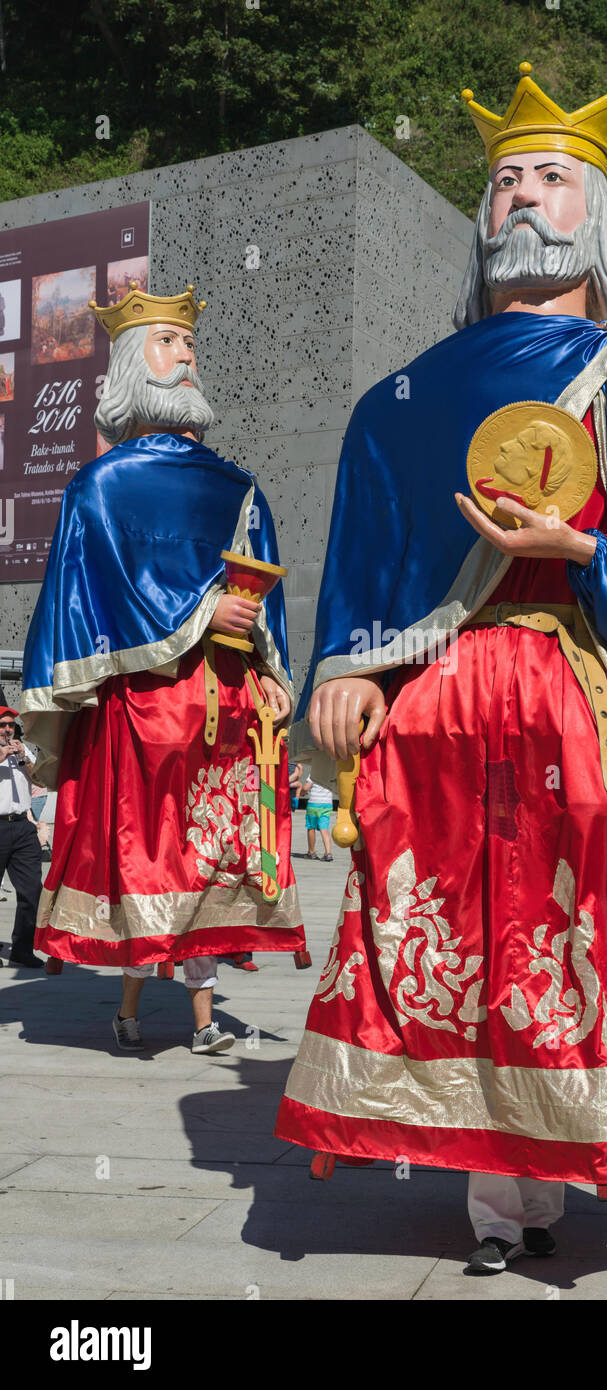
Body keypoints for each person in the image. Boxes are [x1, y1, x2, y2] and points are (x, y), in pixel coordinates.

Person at [274, 63, 607, 1274]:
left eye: (552, 178)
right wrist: (347, 666)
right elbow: (369, 560)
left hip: (590, 700)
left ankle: (542, 1159)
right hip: (448, 704)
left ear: (596, 213)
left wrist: (591, 550)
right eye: (505, 178)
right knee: (442, 931)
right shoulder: (402, 399)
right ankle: (485, 1184)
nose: (523, 197)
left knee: (576, 932)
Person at [20, 282, 308, 1054]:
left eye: (188, 345)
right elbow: (93, 592)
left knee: (210, 856)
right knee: (152, 852)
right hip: (145, 704)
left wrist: (275, 667)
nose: (185, 356)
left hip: (228, 704)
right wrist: (200, 613)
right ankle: (136, 1003)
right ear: (128, 367)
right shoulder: (101, 486)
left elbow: (262, 582)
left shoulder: (236, 485)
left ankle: (194, 1016)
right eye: (167, 344)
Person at [0, 706, 43, 967]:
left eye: (11, 725)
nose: (7, 730)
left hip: (22, 826)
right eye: (3, 725)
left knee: (32, 890)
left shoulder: (22, 749)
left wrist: (24, 758)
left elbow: (40, 779)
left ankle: (22, 948)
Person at [302, 776, 334, 861]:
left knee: (311, 827)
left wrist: (302, 792)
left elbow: (306, 787)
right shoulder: (332, 773)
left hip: (314, 804)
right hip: (327, 804)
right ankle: (328, 853)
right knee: (324, 828)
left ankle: (311, 852)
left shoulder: (314, 773)